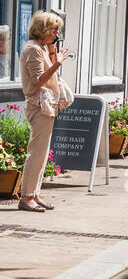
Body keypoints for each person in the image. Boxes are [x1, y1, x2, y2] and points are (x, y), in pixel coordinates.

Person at [18, 11, 71, 211]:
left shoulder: (40, 48)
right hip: (38, 105)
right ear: (43, 29)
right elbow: (39, 80)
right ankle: (26, 197)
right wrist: (58, 62)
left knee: (42, 153)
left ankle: (35, 194)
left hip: (46, 105)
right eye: (54, 29)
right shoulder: (32, 49)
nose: (57, 33)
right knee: (36, 152)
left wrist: (51, 52)